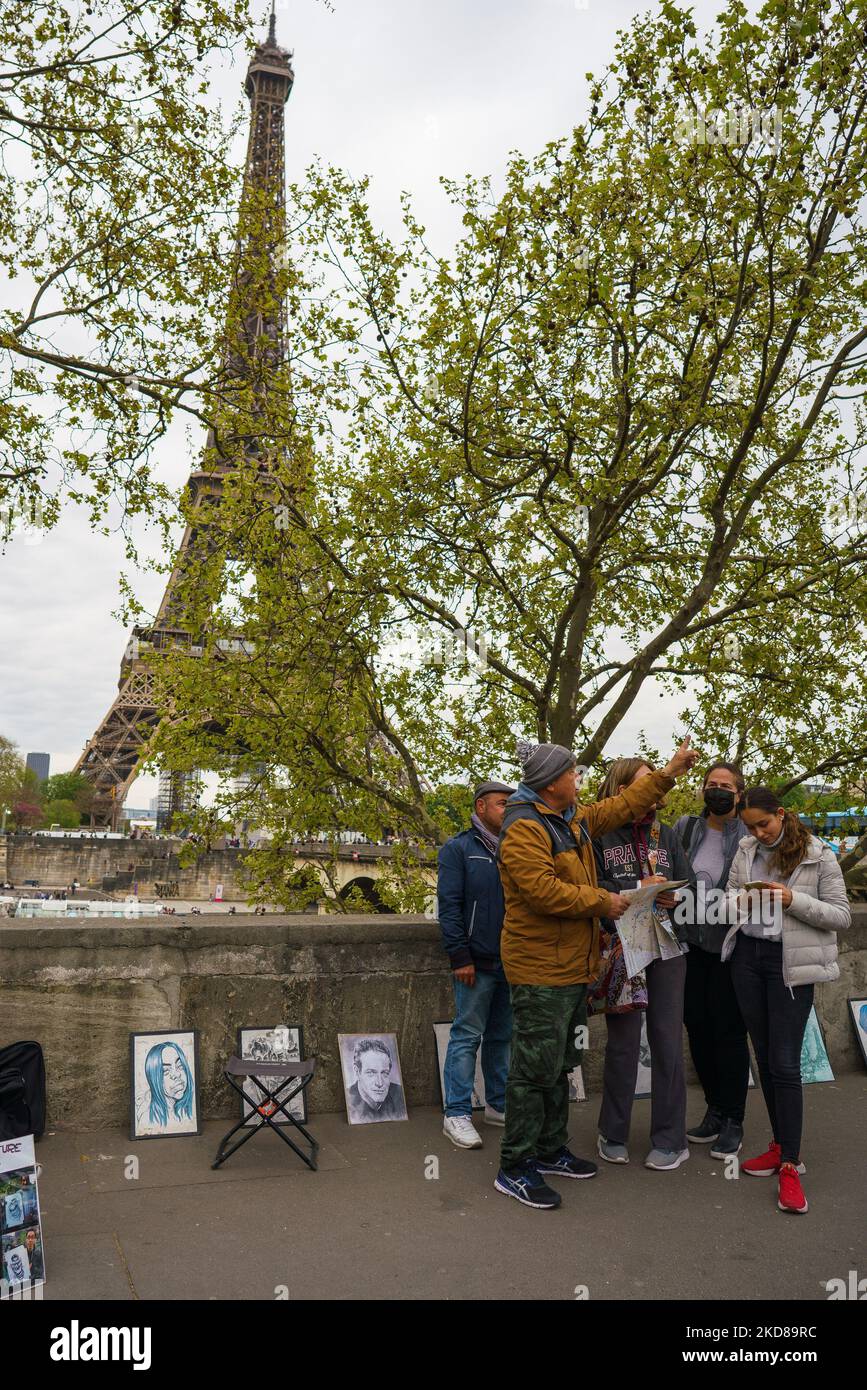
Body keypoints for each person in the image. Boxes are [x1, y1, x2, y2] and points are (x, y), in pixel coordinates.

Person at [493, 735, 699, 1210]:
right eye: (572, 774)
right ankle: (515, 1166)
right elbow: (542, 891)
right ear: (550, 783)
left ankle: (549, 1149)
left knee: (561, 1061)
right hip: (540, 967)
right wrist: (604, 900)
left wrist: (670, 771)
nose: (579, 780)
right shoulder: (523, 826)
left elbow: (625, 803)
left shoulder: (572, 819)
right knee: (533, 1069)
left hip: (571, 967)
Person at [721, 786, 850, 1214]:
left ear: (781, 813)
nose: (758, 833)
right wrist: (742, 900)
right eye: (750, 827)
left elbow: (841, 916)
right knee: (763, 1056)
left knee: (784, 1063)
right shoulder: (744, 850)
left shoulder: (818, 853)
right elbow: (725, 903)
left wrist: (793, 900)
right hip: (747, 959)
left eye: (764, 824)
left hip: (789, 964)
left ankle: (792, 1164)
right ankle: (779, 1146)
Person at [591, 758, 696, 1171]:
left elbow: (688, 887)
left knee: (668, 1041)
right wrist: (637, 888)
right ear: (619, 788)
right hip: (621, 949)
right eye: (645, 783)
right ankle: (612, 1132)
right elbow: (590, 889)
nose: (655, 791)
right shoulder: (596, 832)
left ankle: (671, 1138)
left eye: (657, 783)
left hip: (668, 947)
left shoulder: (665, 834)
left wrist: (673, 896)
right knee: (622, 1044)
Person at [673, 762, 751, 1158]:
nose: (716, 791)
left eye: (725, 786)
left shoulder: (749, 833)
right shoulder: (686, 827)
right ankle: (715, 1110)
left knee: (729, 1032)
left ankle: (734, 1118)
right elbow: (668, 869)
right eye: (710, 784)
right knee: (697, 1028)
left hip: (730, 948)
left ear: (739, 794)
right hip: (689, 945)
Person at [437, 779, 515, 1149]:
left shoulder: (517, 848)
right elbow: (449, 907)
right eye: (502, 803)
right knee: (467, 1036)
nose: (509, 809)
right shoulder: (459, 849)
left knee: (502, 1037)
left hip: (512, 960)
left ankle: (497, 1105)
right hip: (475, 960)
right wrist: (460, 956)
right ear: (481, 807)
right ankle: (456, 1113)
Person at [346, 1038, 406, 1123]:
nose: (379, 1083)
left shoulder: (400, 1095)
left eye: (384, 1073)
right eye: (371, 1073)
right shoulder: (349, 1101)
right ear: (357, 1072)